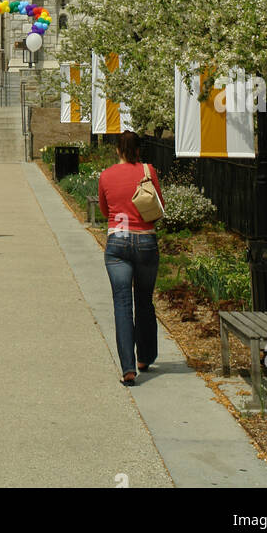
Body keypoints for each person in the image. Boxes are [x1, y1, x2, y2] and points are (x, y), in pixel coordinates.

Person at [98, 131, 165, 386]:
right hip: (145, 240)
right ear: (138, 150)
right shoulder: (148, 171)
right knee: (145, 301)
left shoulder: (106, 175)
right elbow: (159, 206)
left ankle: (128, 369)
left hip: (117, 242)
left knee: (122, 305)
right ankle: (145, 357)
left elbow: (105, 211)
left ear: (118, 150)